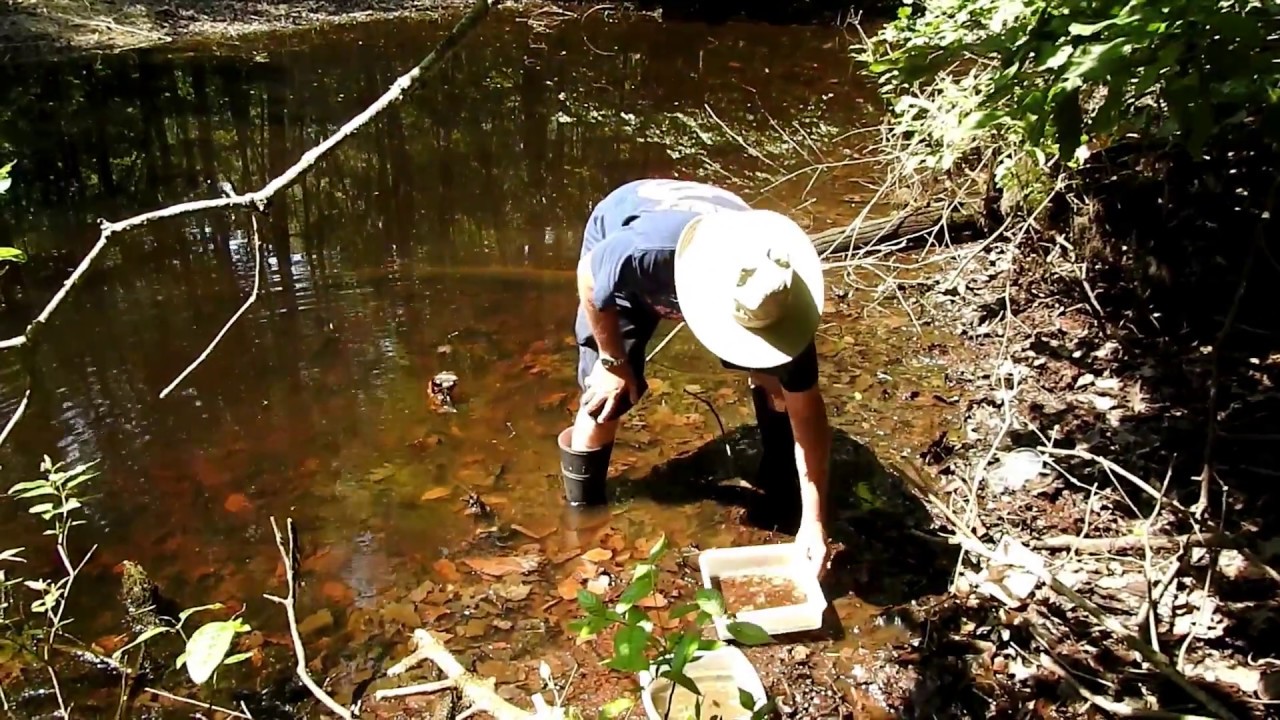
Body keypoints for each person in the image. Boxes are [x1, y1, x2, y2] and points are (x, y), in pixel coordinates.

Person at [559, 178, 833, 578]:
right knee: (608, 398)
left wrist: (814, 522)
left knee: (778, 379)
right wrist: (613, 361)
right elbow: (589, 276)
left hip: (723, 234)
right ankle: (583, 515)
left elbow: (807, 412)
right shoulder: (645, 252)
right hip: (633, 241)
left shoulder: (780, 294)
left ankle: (780, 476)